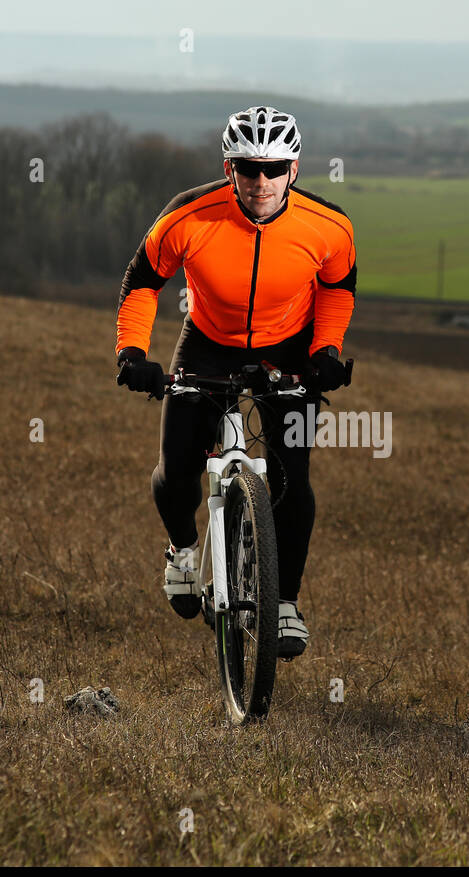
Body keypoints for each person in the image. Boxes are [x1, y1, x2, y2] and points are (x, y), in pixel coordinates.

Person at [115, 106, 357, 661]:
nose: (261, 181)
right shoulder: (188, 216)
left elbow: (337, 287)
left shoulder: (329, 225)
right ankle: (182, 549)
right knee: (178, 469)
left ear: (294, 169)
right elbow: (143, 281)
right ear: (230, 168)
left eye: (274, 168)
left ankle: (285, 602)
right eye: (249, 167)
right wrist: (132, 353)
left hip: (288, 346)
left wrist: (325, 350)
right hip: (208, 342)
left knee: (292, 478)